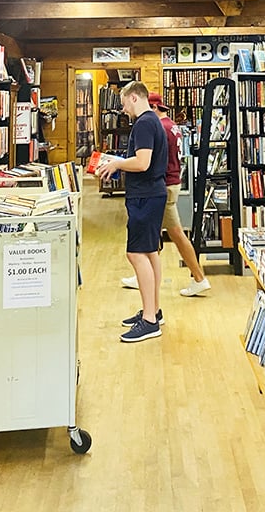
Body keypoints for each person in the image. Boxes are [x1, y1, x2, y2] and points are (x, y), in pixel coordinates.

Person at [97, 81, 167, 343]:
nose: (123, 110)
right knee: (150, 252)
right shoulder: (151, 122)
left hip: (145, 196)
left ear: (135, 98)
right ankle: (153, 310)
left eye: (125, 103)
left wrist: (116, 164)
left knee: (135, 253)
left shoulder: (145, 123)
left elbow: (142, 162)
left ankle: (149, 321)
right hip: (150, 194)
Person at [121, 92, 211, 297]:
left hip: (164, 184)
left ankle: (199, 278)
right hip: (173, 180)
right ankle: (145, 273)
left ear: (151, 107)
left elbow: (148, 160)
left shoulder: (156, 127)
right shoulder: (172, 126)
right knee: (153, 232)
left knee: (175, 232)